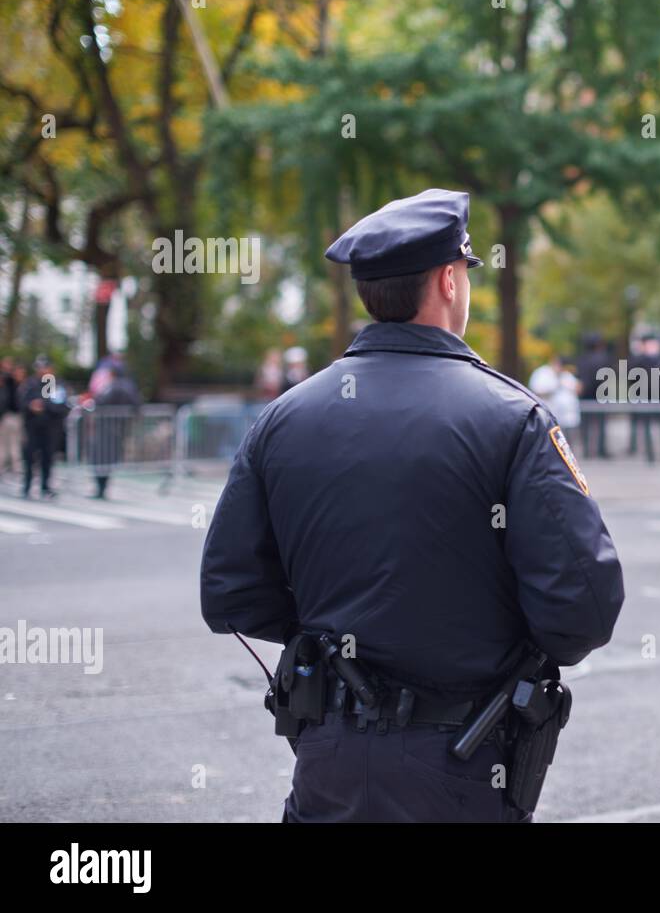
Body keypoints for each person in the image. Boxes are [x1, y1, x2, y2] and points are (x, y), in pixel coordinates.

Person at [200, 188, 625, 822]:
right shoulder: (511, 418)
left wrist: (326, 638)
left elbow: (231, 593)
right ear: (450, 281)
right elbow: (583, 610)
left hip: (328, 757)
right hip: (462, 758)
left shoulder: (284, 418)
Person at [86, 363, 141, 500]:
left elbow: (101, 402)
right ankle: (102, 488)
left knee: (100, 458)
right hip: (118, 429)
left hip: (107, 428)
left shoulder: (114, 386)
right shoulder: (129, 386)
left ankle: (100, 488)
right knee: (108, 459)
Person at [18, 357, 67, 499]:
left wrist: (43, 406)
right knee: (29, 456)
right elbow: (21, 402)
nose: (42, 370)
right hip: (33, 427)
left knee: (48, 457)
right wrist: (30, 406)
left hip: (50, 428)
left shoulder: (55, 384)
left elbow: (60, 405)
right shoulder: (30, 384)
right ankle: (27, 486)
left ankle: (45, 486)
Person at [576, 334, 611, 458]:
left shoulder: (581, 359)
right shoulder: (603, 359)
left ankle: (586, 450)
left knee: (585, 424)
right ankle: (601, 450)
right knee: (601, 424)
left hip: (585, 395)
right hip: (600, 395)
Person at [527, 355, 580, 431]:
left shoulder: (566, 374)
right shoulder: (542, 373)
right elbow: (535, 391)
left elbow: (578, 387)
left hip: (567, 419)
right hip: (546, 418)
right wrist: (552, 389)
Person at [1, 359, 23, 475]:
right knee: (4, 443)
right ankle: (7, 466)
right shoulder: (7, 381)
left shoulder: (19, 385)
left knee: (14, 443)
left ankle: (15, 466)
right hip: (7, 416)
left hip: (15, 416)